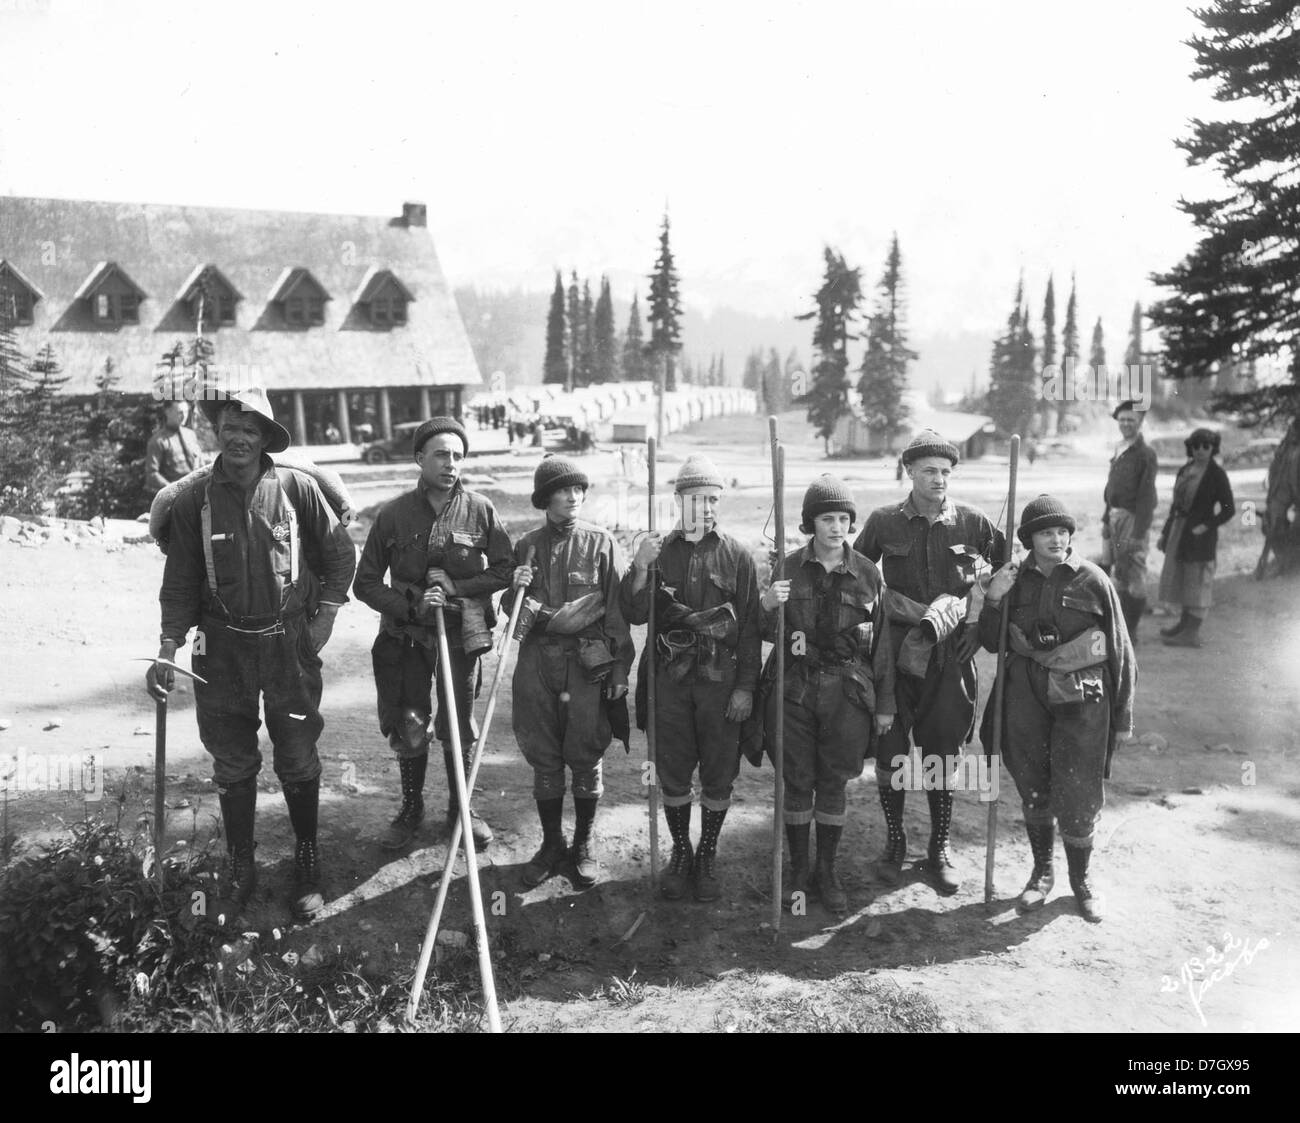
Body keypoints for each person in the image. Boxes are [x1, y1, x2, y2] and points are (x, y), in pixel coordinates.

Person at [144, 387, 356, 921]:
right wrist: (168, 648)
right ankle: (242, 865)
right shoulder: (195, 500)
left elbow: (338, 557)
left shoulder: (296, 489)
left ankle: (306, 863)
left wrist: (324, 617)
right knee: (232, 758)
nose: (239, 438)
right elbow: (181, 582)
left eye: (251, 430)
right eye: (230, 428)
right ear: (215, 434)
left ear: (266, 439)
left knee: (297, 752)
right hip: (219, 648)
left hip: (289, 643)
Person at [353, 417, 513, 852]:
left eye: (458, 456)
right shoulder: (393, 515)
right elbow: (364, 583)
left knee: (458, 725)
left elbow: (504, 569)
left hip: (460, 636)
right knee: (409, 722)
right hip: (405, 637)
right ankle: (411, 807)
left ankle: (461, 808)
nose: (450, 464)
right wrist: (410, 606)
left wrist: (459, 587)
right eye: (441, 454)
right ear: (419, 458)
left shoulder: (481, 509)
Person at [855, 429, 1003, 896]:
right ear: (910, 473)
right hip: (896, 656)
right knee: (893, 749)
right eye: (928, 471)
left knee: (942, 751)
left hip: (951, 657)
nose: (938, 479)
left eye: (945, 472)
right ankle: (895, 844)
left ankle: (938, 849)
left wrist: (978, 626)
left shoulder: (974, 524)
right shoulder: (883, 522)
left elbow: (1002, 579)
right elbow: (856, 575)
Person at [979, 495, 1136, 922]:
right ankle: (1041, 874)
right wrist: (994, 598)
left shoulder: (1093, 579)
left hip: (1082, 700)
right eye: (1046, 533)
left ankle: (1081, 881)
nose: (1057, 539)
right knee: (1033, 781)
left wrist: (1122, 717)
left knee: (1079, 790)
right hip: (1024, 695)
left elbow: (1119, 649)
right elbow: (992, 642)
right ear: (1029, 539)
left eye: (1063, 532)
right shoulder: (1014, 579)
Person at [620, 454, 761, 902]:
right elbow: (635, 613)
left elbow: (752, 629)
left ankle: (708, 854)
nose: (706, 507)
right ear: (678, 501)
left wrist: (745, 688)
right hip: (669, 679)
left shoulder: (738, 554)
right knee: (673, 771)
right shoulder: (658, 551)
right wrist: (640, 567)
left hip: (721, 682)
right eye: (696, 498)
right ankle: (681, 852)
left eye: (713, 499)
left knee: (720, 773)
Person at [760, 476, 895, 916]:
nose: (836, 527)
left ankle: (827, 870)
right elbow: (765, 635)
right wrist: (767, 605)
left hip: (848, 693)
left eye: (843, 519)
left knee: (834, 781)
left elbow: (883, 646)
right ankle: (799, 870)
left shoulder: (869, 574)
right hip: (795, 690)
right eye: (826, 518)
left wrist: (885, 706)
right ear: (810, 523)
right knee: (798, 781)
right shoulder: (788, 569)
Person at [507, 456, 634, 889]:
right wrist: (515, 588)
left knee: (585, 752)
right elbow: (511, 614)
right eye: (564, 490)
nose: (573, 497)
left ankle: (582, 845)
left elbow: (616, 613)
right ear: (546, 498)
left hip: (586, 665)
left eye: (579, 490)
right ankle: (550, 845)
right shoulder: (525, 544)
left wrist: (620, 669)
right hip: (537, 664)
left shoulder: (602, 543)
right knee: (543, 754)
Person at [1156, 429, 1235, 648]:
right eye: (1196, 446)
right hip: (1179, 532)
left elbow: (1229, 509)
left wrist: (1206, 526)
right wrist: (1165, 533)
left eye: (1206, 446)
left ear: (1213, 449)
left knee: (1198, 581)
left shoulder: (1216, 474)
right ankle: (1183, 626)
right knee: (1182, 578)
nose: (1200, 450)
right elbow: (1175, 506)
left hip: (1201, 537)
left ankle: (1192, 633)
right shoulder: (1185, 469)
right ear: (1190, 447)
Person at [1101, 400, 1158, 645]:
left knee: (1135, 573)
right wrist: (1106, 518)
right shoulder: (1119, 448)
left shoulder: (1146, 454)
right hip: (1114, 516)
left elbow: (1147, 496)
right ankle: (1120, 628)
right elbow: (1111, 488)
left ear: (1140, 422)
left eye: (1131, 420)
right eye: (1122, 419)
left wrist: (1139, 531)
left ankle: (1131, 632)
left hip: (1133, 519)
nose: (1126, 424)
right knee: (1119, 572)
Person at [144, 401, 204, 497]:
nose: (184, 416)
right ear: (168, 412)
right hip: (173, 497)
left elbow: (200, 463)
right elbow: (152, 474)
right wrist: (173, 490)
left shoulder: (190, 435)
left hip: (196, 492)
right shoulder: (158, 441)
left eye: (186, 412)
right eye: (180, 412)